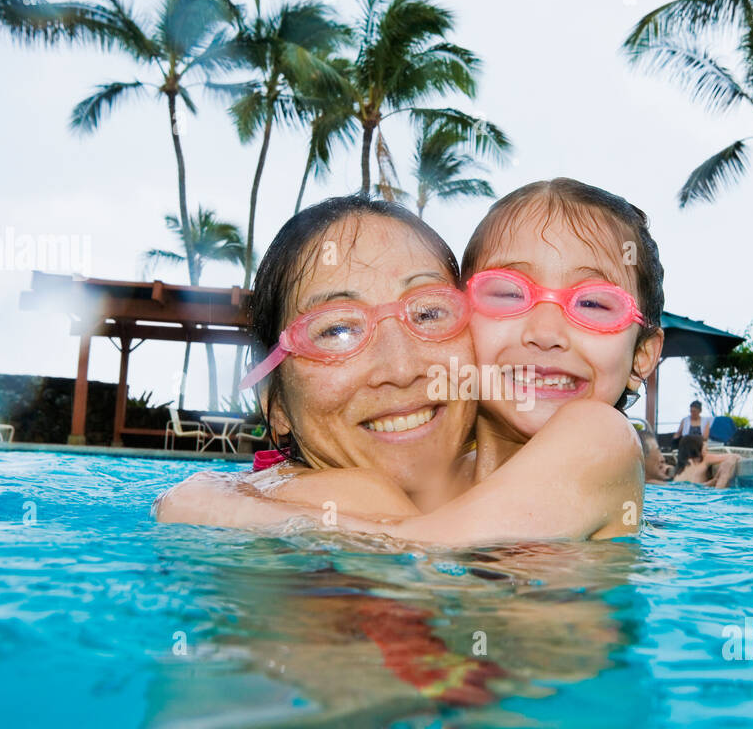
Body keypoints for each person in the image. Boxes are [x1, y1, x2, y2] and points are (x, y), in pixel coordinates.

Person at [156, 181, 666, 541]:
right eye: (336, 329)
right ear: (275, 404)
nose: (546, 333)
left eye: (427, 313)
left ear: (644, 352)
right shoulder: (334, 492)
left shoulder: (599, 436)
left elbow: (427, 547)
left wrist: (218, 508)